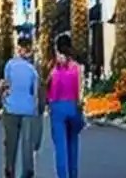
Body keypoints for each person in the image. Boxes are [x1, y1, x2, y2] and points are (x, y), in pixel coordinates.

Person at [0, 36, 42, 178]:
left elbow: (6, 85)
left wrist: (3, 99)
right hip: (28, 109)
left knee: (10, 142)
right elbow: (35, 92)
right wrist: (36, 109)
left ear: (19, 49)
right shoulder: (33, 70)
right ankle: (28, 170)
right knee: (27, 142)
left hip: (11, 108)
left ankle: (9, 168)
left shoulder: (10, 65)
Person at [46, 34, 85, 178]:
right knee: (73, 142)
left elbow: (47, 85)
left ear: (57, 48)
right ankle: (73, 174)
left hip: (57, 107)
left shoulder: (54, 66)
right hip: (73, 106)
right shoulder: (77, 67)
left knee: (60, 147)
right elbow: (80, 91)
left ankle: (63, 175)